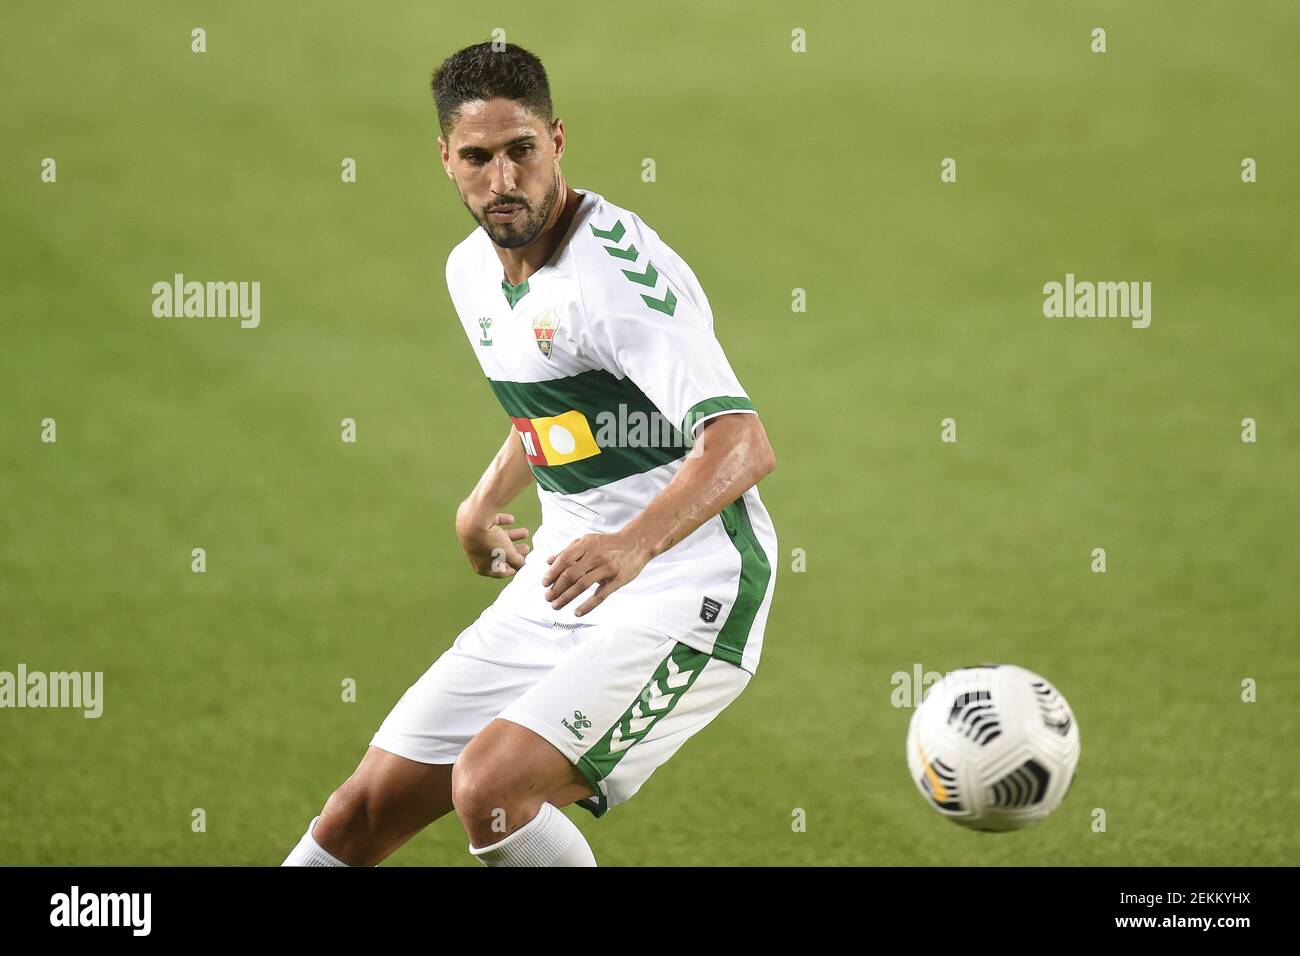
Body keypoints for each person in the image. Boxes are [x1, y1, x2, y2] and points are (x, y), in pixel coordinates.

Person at [283, 40, 777, 867]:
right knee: (356, 815)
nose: (504, 181)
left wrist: (632, 544)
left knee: (492, 789)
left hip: (688, 586)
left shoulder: (614, 273)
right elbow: (553, 409)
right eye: (478, 158)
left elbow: (741, 443)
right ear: (445, 158)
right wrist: (481, 502)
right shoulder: (471, 272)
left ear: (557, 140)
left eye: (523, 151)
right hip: (567, 576)